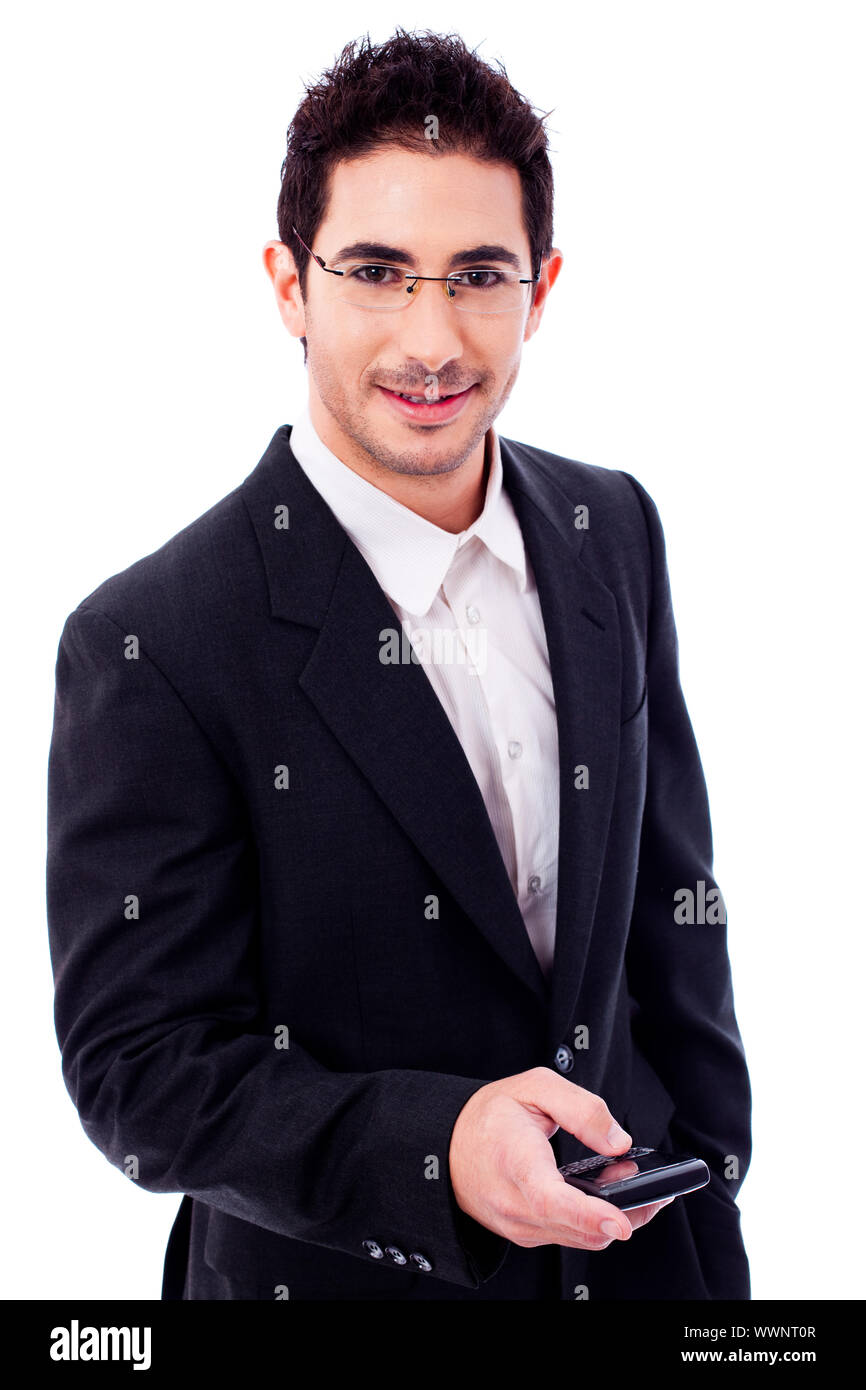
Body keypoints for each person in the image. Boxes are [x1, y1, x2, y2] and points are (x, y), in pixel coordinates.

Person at [46, 27, 751, 1301]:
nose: (431, 336)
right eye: (376, 270)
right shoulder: (152, 639)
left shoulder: (612, 532)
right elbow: (140, 1073)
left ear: (540, 289)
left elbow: (670, 912)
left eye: (477, 274)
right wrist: (440, 1151)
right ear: (286, 284)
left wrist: (714, 1189)